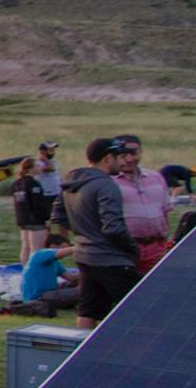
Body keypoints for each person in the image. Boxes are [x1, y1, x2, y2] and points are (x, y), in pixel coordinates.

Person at [51, 137, 142, 328]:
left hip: (85, 255)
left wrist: (84, 232)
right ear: (108, 158)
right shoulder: (106, 185)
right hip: (110, 259)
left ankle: (80, 353)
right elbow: (113, 228)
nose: (123, 161)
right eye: (119, 157)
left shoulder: (72, 182)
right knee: (144, 308)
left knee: (89, 310)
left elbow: (58, 215)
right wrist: (132, 249)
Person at [112, 135, 174, 273]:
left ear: (141, 152)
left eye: (133, 153)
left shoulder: (156, 178)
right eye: (123, 154)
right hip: (123, 250)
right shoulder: (108, 181)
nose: (129, 159)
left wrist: (164, 241)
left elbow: (164, 211)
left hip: (156, 248)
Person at [20, 231, 81, 310]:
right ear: (53, 246)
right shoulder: (42, 254)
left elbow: (71, 278)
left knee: (83, 286)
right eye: (63, 247)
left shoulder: (55, 262)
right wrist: (83, 246)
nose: (64, 251)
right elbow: (65, 252)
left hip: (49, 293)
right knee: (82, 292)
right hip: (38, 297)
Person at [13, 154, 54, 266]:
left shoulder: (17, 183)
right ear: (30, 168)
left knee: (25, 246)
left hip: (23, 219)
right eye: (38, 166)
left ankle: (25, 271)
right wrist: (46, 218)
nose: (41, 168)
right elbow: (38, 204)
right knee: (36, 250)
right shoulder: (33, 184)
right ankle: (33, 273)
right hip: (35, 220)